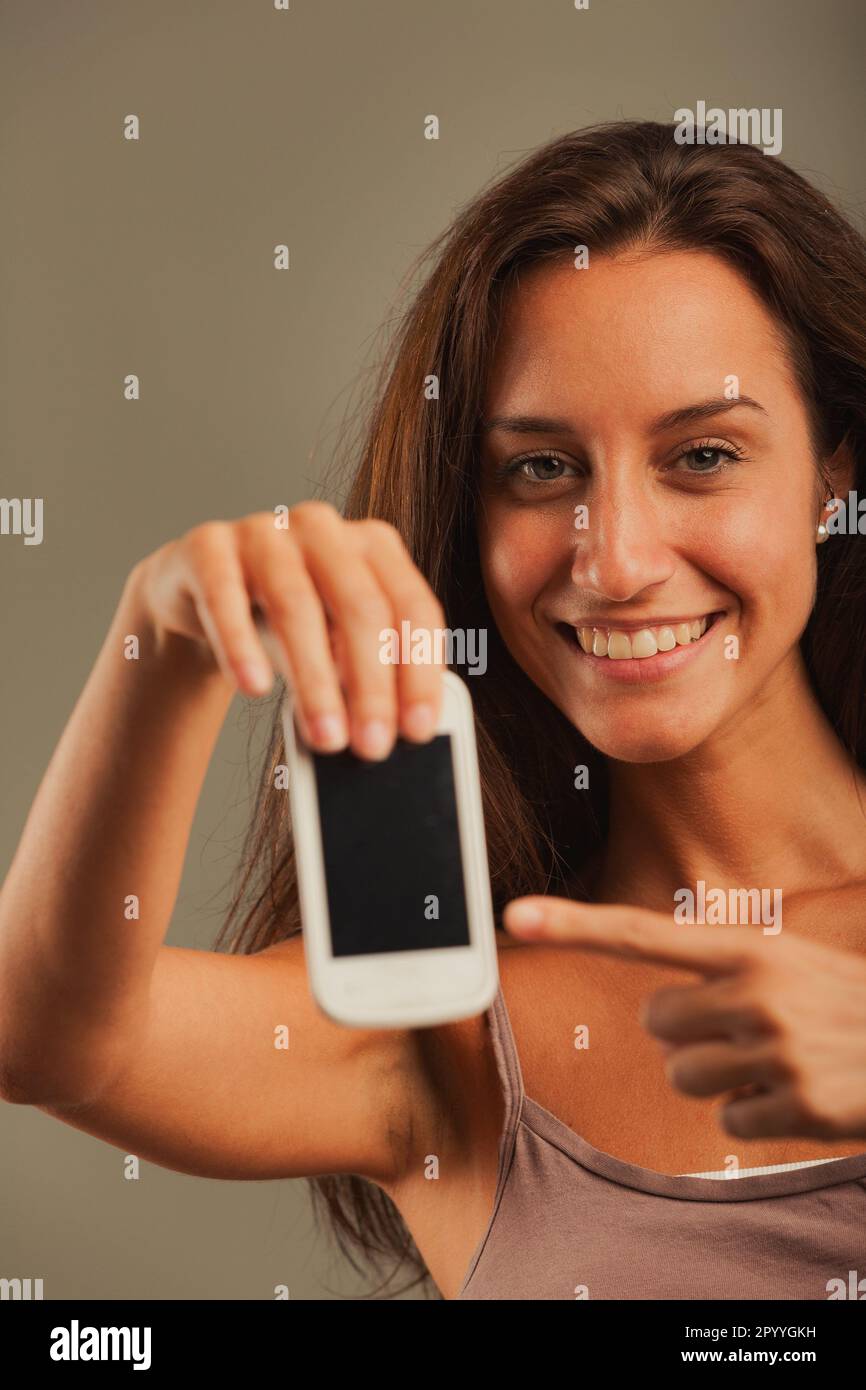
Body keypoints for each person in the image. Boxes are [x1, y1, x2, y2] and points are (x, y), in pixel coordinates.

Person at [2, 120, 866, 1302]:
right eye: (541, 469)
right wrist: (160, 639)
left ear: (834, 472)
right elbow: (48, 1040)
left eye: (702, 455)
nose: (613, 560)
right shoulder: (442, 1021)